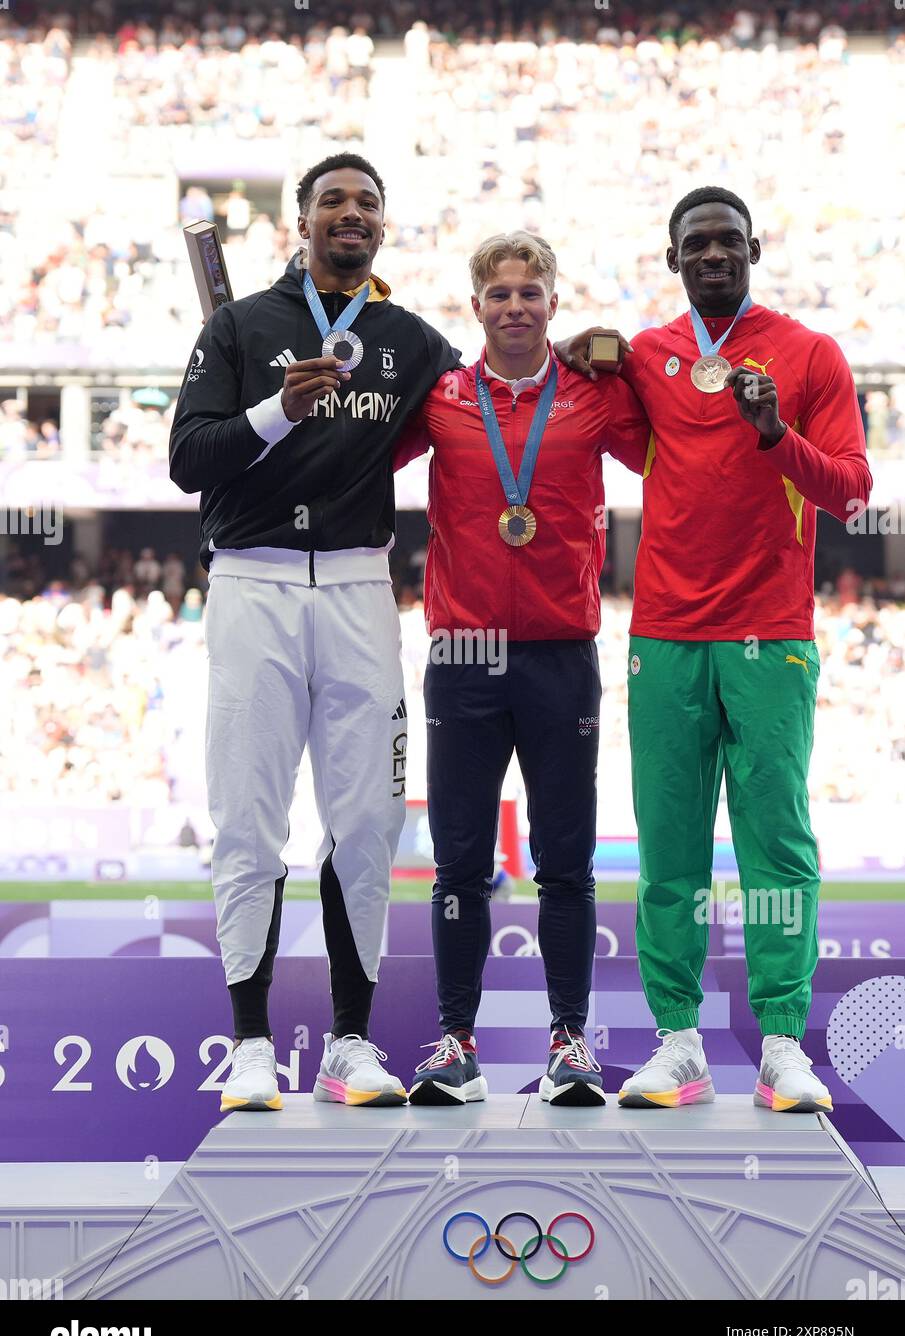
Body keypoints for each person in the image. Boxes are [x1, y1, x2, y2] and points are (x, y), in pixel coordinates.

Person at [558, 186, 872, 1113]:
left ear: (754, 249)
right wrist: (579, 362)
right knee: (668, 848)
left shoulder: (809, 355)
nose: (710, 255)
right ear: (671, 260)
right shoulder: (651, 357)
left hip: (769, 633)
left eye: (726, 241)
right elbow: (604, 436)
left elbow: (853, 495)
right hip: (663, 632)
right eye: (693, 243)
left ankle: (781, 1043)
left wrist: (775, 434)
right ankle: (678, 1041)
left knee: (776, 843)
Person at [169, 152, 462, 1112]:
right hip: (251, 583)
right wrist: (274, 409)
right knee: (249, 820)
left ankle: (349, 1044)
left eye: (367, 203)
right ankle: (250, 1045)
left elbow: (483, 408)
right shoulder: (241, 325)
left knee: (369, 821)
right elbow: (186, 460)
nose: (351, 214)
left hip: (356, 587)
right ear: (301, 220)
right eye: (332, 200)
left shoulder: (407, 340)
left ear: (382, 226)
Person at [393, 232, 650, 1106]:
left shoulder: (593, 396)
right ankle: (454, 1045)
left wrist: (619, 350)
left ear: (552, 302)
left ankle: (570, 1045)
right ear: (474, 308)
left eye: (529, 291)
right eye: (497, 293)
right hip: (461, 655)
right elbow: (352, 457)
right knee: (460, 863)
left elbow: (675, 450)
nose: (514, 306)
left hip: (558, 654)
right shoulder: (438, 400)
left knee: (565, 861)